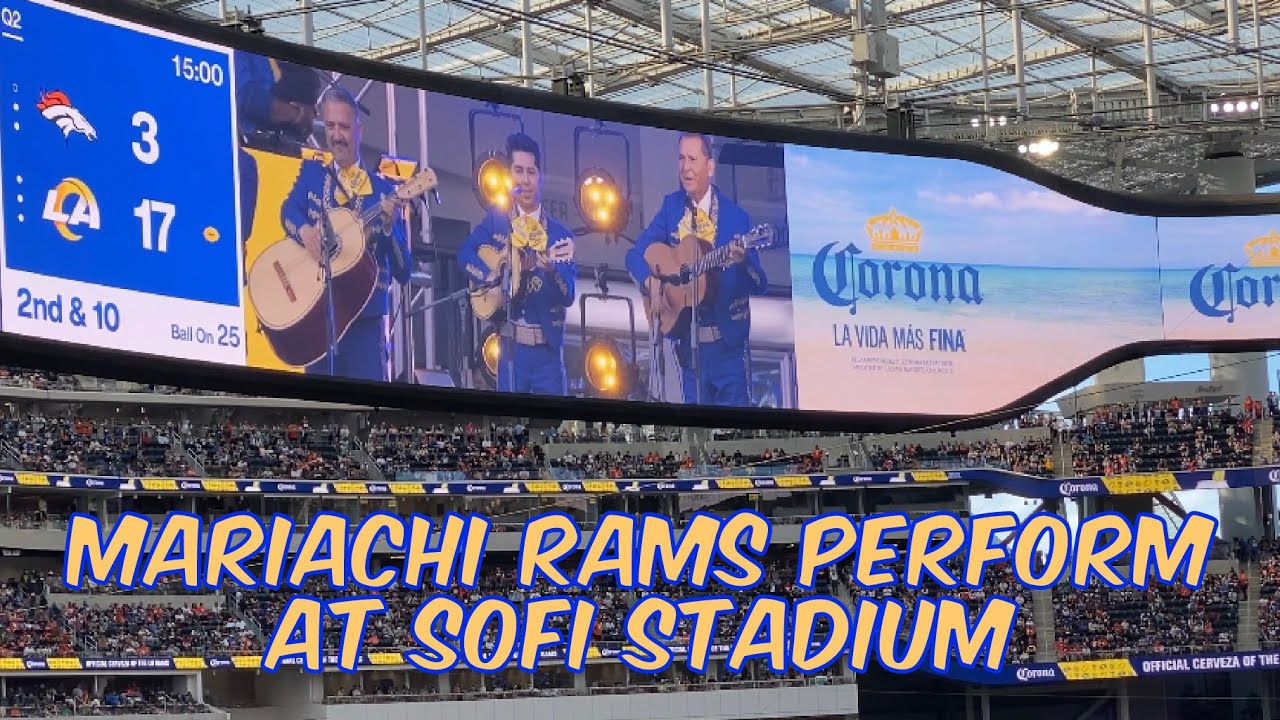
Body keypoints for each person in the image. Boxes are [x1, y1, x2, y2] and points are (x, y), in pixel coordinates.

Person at [280, 86, 414, 382]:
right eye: (330, 126)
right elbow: (287, 211)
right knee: (316, 412)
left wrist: (391, 228)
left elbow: (404, 270)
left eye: (344, 127)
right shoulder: (312, 174)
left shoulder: (383, 192)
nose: (337, 135)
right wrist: (304, 231)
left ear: (359, 129)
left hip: (364, 324)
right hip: (317, 317)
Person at [625, 132, 767, 407]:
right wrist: (649, 283)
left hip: (728, 346)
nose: (685, 167)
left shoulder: (736, 217)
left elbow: (759, 283)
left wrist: (744, 260)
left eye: (692, 159)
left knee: (735, 429)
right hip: (688, 347)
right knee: (696, 432)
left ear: (710, 167)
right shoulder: (672, 207)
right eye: (681, 158)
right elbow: (634, 255)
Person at [458, 132, 576, 396]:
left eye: (531, 172)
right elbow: (464, 253)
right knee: (509, 428)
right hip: (510, 351)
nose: (525, 180)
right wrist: (489, 274)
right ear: (510, 175)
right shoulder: (497, 220)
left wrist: (552, 269)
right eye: (519, 171)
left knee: (554, 430)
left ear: (540, 176)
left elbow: (569, 295)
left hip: (547, 354)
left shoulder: (560, 236)